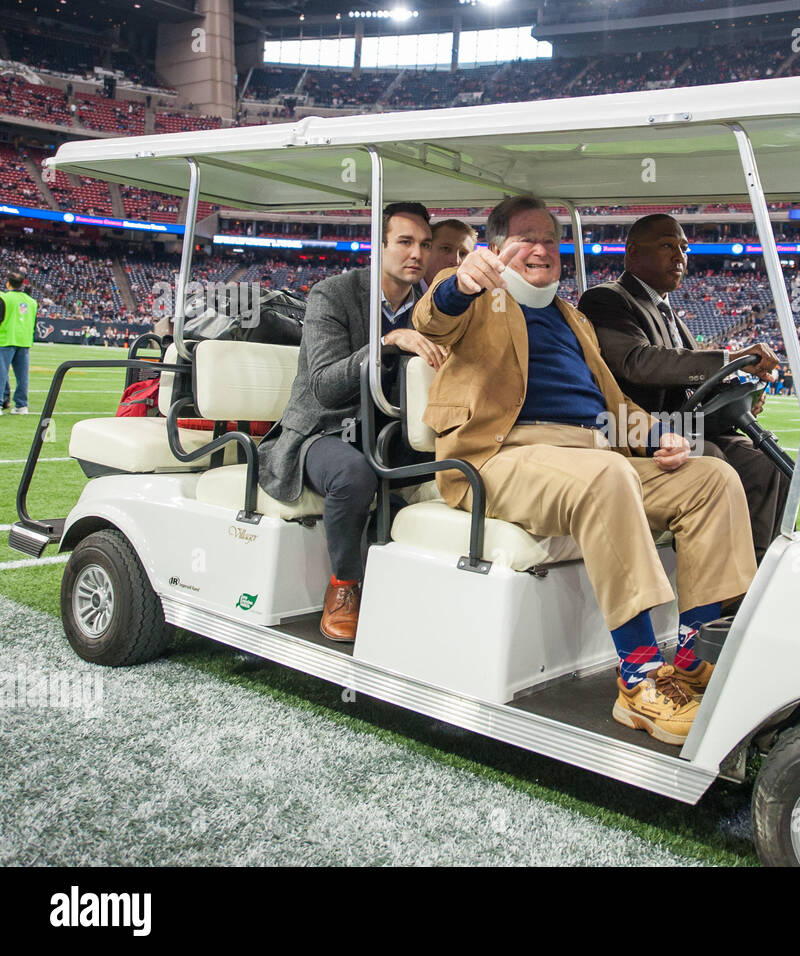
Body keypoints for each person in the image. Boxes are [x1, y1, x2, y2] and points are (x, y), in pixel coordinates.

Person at [413, 196, 756, 746]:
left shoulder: (572, 316)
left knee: (713, 478)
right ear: (496, 250)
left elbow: (613, 404)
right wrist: (461, 280)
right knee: (607, 477)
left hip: (590, 451)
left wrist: (658, 435)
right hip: (500, 456)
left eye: (550, 239)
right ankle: (640, 674)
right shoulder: (477, 298)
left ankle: (689, 655)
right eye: (526, 238)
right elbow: (431, 317)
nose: (542, 248)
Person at [259, 202, 445, 642]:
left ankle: (424, 587)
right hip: (322, 432)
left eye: (424, 244)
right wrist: (386, 343)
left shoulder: (427, 307)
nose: (416, 253)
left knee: (458, 462)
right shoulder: (333, 294)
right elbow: (325, 386)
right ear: (378, 247)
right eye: (404, 242)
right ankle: (344, 585)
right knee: (353, 473)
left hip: (390, 434)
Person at [579, 214, 789, 566]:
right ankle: (722, 585)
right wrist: (728, 357)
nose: (680, 256)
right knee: (711, 459)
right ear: (631, 252)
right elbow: (638, 362)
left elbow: (689, 385)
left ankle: (761, 570)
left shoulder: (668, 313)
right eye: (666, 245)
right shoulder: (606, 299)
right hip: (633, 429)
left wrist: (741, 396)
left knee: (771, 462)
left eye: (684, 247)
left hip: (683, 428)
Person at [0, 272, 38, 414]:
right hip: (24, 341)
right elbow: (34, 323)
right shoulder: (32, 301)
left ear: (8, 283)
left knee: (1, 374)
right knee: (22, 377)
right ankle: (22, 405)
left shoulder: (3, 297)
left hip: (5, 340)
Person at [421, 218, 477, 291]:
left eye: (463, 254)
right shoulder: (403, 289)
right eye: (446, 249)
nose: (456, 261)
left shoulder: (474, 297)